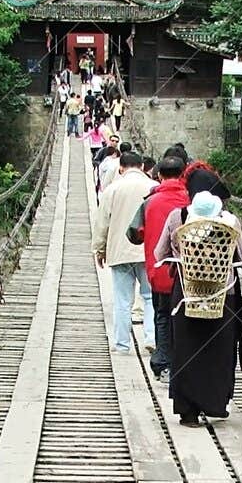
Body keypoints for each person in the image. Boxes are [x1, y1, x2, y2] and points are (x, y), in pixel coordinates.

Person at [154, 166, 242, 426]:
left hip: (186, 293)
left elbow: (159, 254)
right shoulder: (230, 221)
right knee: (217, 351)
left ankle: (188, 412)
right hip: (223, 295)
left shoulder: (177, 217)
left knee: (186, 350)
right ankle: (214, 403)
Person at [92, 149, 156, 354]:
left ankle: (121, 344)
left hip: (119, 251)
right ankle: (152, 338)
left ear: (121, 168)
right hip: (147, 251)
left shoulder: (112, 189)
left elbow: (102, 223)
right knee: (150, 297)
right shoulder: (154, 187)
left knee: (122, 299)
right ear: (142, 167)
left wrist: (99, 249)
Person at [134, 151, 189, 378]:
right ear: (183, 173)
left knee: (162, 315)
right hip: (188, 273)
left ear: (159, 175)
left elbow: (134, 234)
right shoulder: (191, 200)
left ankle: (162, 361)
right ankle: (182, 363)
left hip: (158, 270)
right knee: (184, 319)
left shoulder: (149, 202)